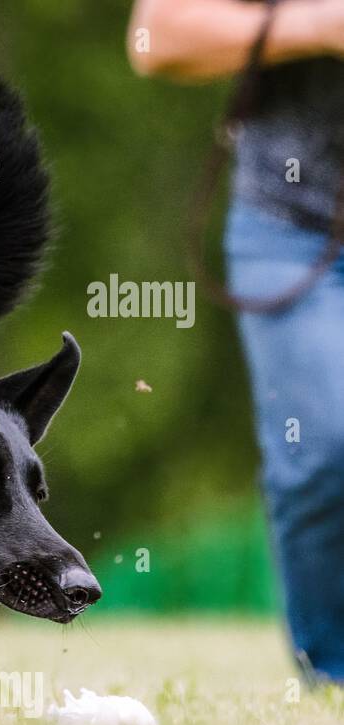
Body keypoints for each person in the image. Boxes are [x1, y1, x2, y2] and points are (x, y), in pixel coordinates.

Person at [128, 0, 344, 680]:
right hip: (293, 223)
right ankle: (333, 674)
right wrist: (318, 26)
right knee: (320, 447)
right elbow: (154, 34)